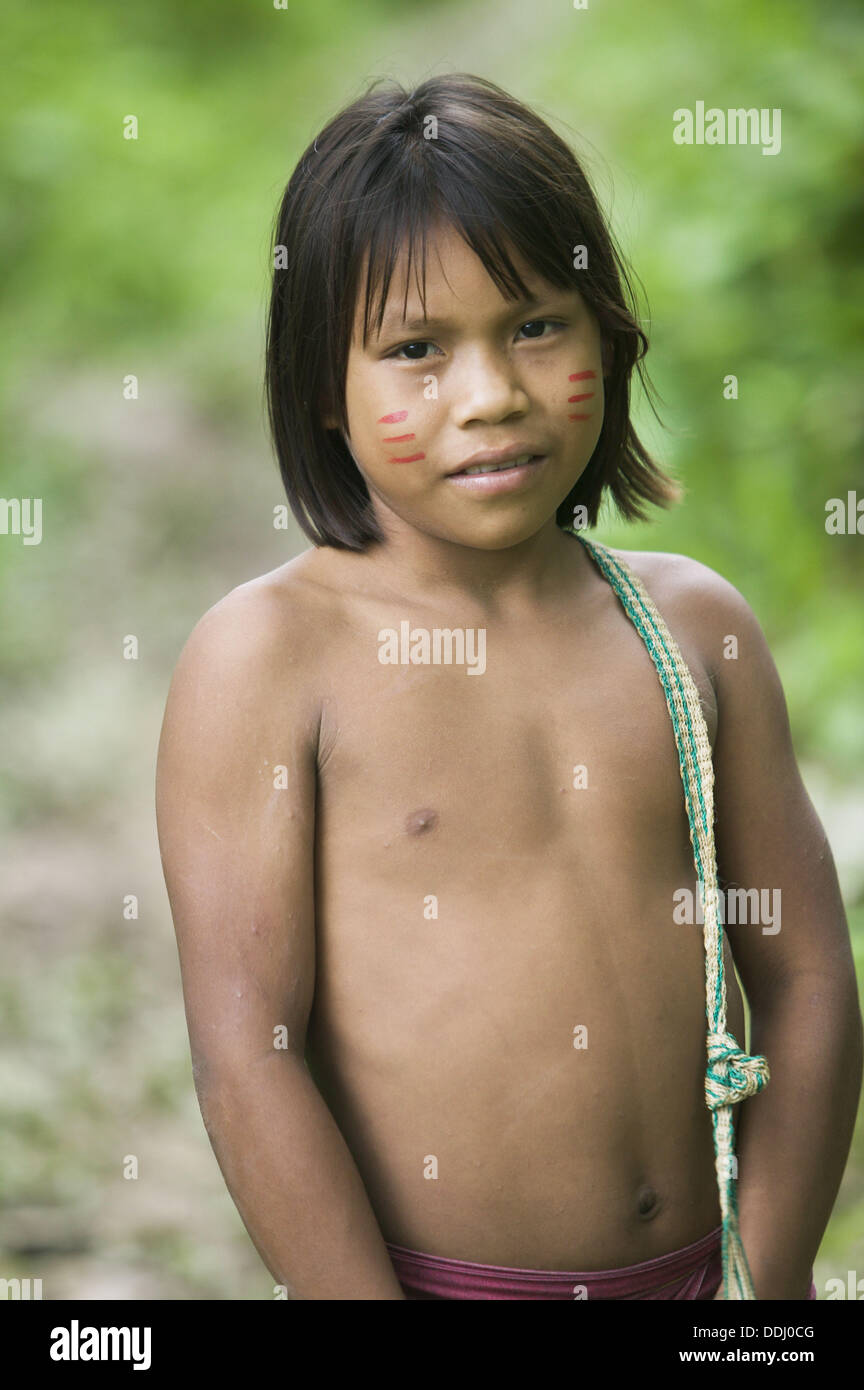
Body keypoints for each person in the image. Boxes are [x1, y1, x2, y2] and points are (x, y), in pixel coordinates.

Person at [155, 73, 861, 1300]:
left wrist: (774, 1282)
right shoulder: (268, 661)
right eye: (416, 350)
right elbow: (248, 1057)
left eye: (536, 325)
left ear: (608, 334)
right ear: (325, 385)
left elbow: (805, 981)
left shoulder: (692, 628)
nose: (489, 396)